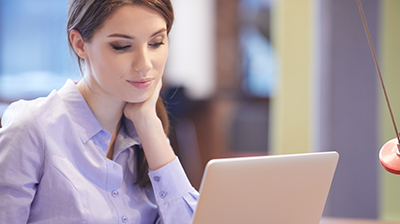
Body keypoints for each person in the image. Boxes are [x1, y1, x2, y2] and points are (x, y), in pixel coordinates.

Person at [0, 0, 199, 223]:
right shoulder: (32, 129)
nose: (144, 64)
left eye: (156, 43)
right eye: (122, 46)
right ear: (80, 44)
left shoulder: (148, 133)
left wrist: (147, 123)